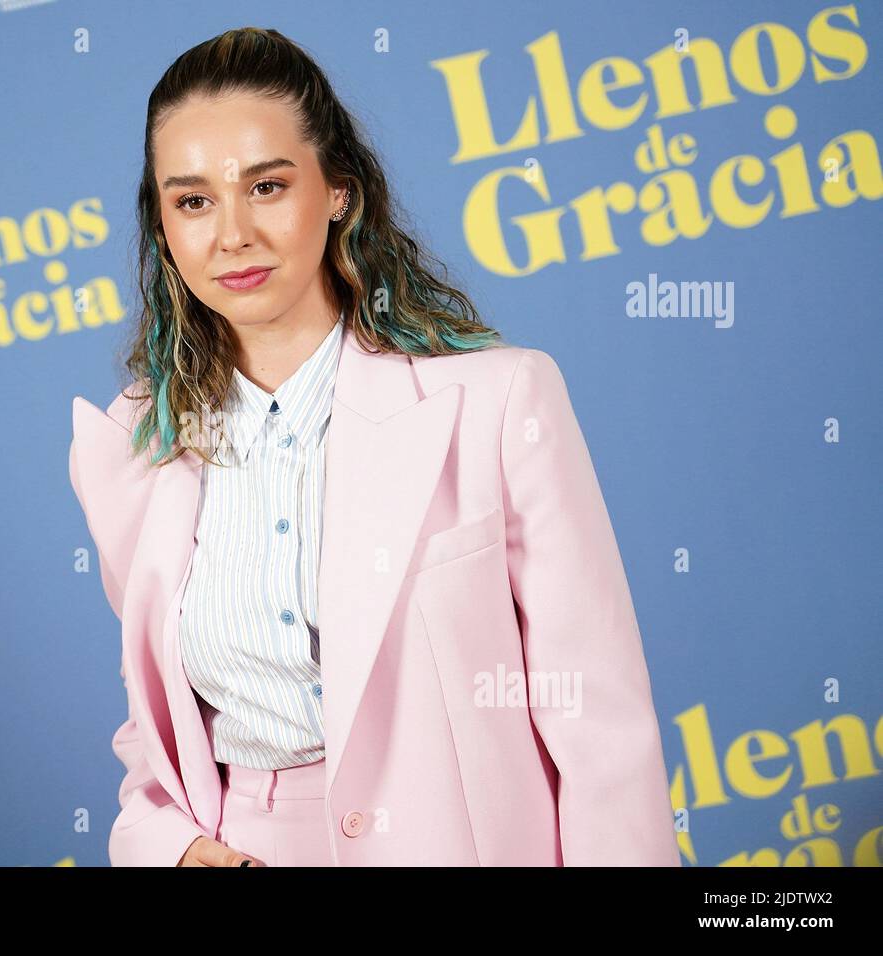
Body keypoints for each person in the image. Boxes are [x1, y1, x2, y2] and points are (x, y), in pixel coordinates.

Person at [68, 27, 680, 867]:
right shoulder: (135, 442)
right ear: (164, 226)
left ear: (338, 194)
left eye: (269, 186)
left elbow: (597, 723)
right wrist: (165, 844)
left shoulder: (499, 401)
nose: (233, 233)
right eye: (194, 201)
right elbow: (155, 723)